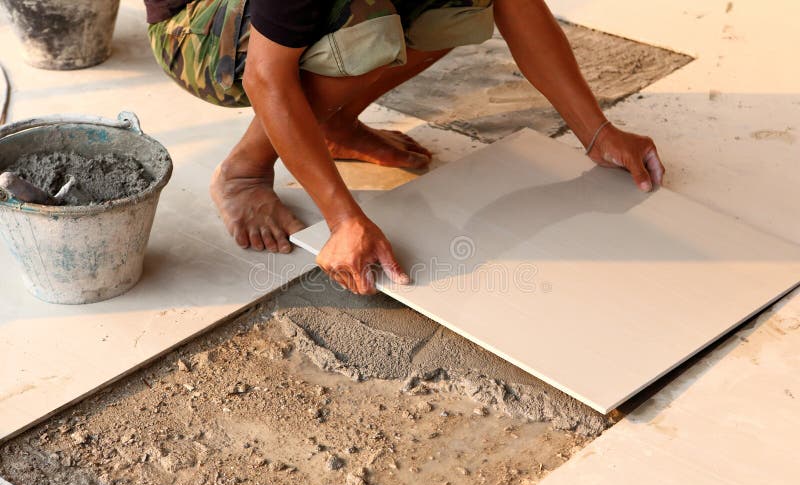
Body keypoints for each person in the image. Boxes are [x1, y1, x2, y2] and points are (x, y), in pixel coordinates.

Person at [145, 0, 665, 295]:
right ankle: (244, 171)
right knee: (364, 22)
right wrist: (344, 220)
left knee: (457, 3)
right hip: (196, 32)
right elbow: (265, 75)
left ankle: (334, 123)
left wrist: (596, 132)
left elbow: (518, 6)